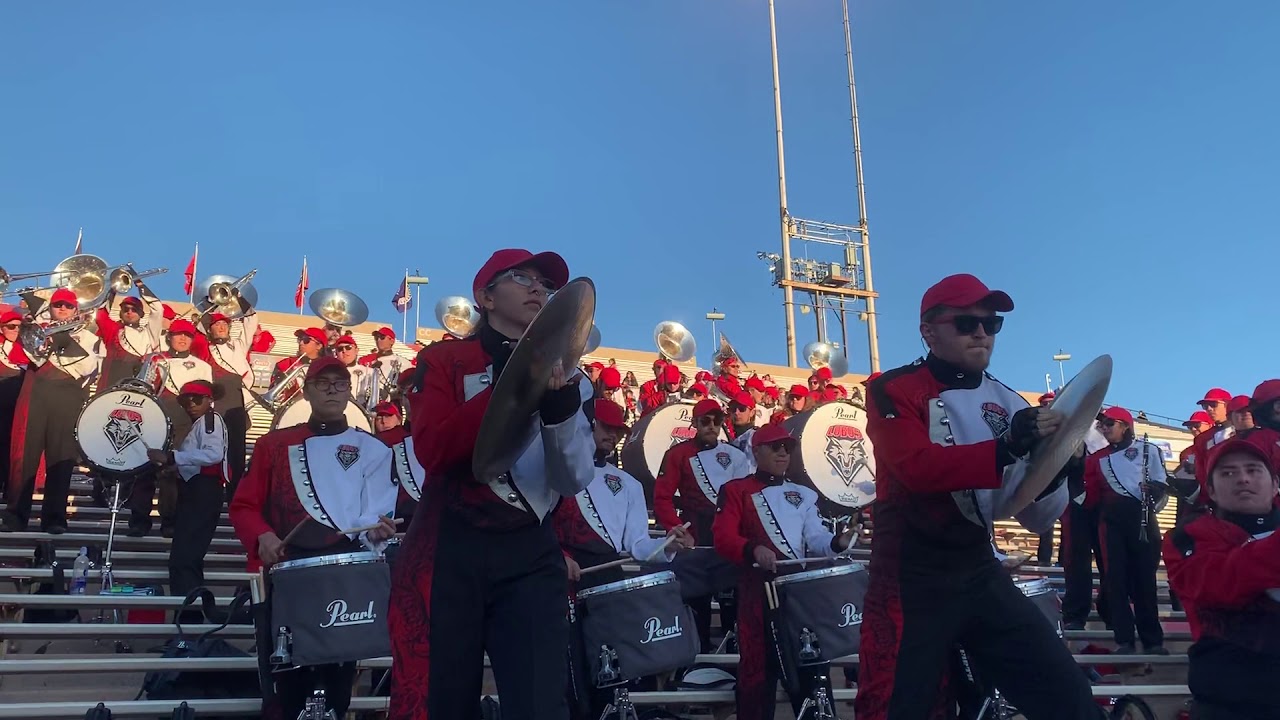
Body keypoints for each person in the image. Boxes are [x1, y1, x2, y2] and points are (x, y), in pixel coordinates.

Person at [855, 274, 1095, 720]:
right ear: (929, 331)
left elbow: (1030, 516)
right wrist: (1007, 449)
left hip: (978, 568)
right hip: (910, 576)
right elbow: (916, 469)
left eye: (992, 323)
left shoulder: (1007, 398)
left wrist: (1061, 467)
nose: (982, 332)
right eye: (966, 322)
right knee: (893, 707)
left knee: (1068, 696)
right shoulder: (893, 387)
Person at [389, 248, 594, 720]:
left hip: (529, 553)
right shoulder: (444, 360)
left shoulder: (572, 378)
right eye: (521, 278)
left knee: (541, 704)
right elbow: (435, 451)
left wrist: (559, 409)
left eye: (545, 283)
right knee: (440, 701)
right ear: (485, 295)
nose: (538, 289)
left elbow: (572, 478)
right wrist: (515, 383)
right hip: (449, 549)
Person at [229, 356, 397, 720]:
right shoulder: (273, 445)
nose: (333, 390)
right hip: (287, 575)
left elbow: (373, 518)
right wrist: (264, 536)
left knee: (338, 682)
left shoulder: (374, 449)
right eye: (323, 383)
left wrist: (376, 531)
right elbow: (243, 506)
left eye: (340, 383)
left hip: (345, 578)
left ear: (350, 392)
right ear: (305, 392)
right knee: (284, 683)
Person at [713, 423, 856, 720]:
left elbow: (816, 540)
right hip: (757, 593)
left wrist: (838, 541)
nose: (783, 452)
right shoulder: (736, 490)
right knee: (757, 673)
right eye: (775, 446)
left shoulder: (804, 494)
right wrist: (753, 548)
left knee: (812, 668)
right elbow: (723, 537)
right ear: (757, 451)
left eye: (787, 447)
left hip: (799, 598)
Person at [1163, 437, 1280, 720]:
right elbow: (1219, 583)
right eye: (1228, 473)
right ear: (1211, 491)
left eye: (1253, 470)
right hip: (1230, 701)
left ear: (1275, 484)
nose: (1242, 479)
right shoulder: (1185, 537)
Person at [653, 397, 753, 651]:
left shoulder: (735, 455)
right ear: (695, 423)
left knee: (733, 607)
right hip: (693, 543)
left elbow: (744, 501)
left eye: (716, 420)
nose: (711, 425)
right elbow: (662, 497)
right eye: (705, 421)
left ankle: (735, 660)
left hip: (726, 542)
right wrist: (676, 529)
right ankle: (697, 663)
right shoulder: (677, 454)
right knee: (698, 608)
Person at [557, 398, 693, 584]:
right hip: (560, 568)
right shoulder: (558, 470)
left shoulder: (630, 484)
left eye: (619, 431)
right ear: (588, 424)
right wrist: (559, 556)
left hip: (605, 576)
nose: (614, 436)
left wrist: (668, 545)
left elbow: (638, 545)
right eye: (607, 427)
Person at [3, 288, 102, 533]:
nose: (62, 310)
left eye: (68, 306)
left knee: (61, 458)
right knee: (23, 456)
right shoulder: (38, 328)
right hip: (36, 392)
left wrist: (63, 340)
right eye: (58, 305)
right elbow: (25, 357)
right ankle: (16, 514)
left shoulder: (89, 337)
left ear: (76, 310)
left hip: (67, 394)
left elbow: (87, 367)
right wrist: (40, 332)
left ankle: (55, 518)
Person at [1083, 406, 1168, 654]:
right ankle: (1124, 640)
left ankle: (1153, 641)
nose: (1104, 428)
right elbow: (1091, 497)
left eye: (1110, 423)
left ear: (1125, 425)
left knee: (1145, 581)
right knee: (1115, 581)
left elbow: (1161, 482)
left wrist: (1153, 490)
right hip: (1111, 522)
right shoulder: (1096, 458)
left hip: (1142, 519)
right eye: (1102, 425)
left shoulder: (1148, 449)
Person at [147, 380, 227, 618]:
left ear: (209, 400)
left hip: (203, 492)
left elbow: (214, 454)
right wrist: (175, 467)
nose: (191, 404)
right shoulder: (202, 423)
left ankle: (189, 622)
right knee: (185, 559)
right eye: (185, 400)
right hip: (197, 491)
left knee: (184, 559)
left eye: (197, 399)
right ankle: (191, 619)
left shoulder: (211, 420)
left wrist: (172, 457)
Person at [201, 307, 258, 499]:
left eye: (224, 324)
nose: (221, 327)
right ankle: (212, 492)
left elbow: (251, 321)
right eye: (217, 324)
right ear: (210, 329)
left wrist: (239, 298)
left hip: (237, 402)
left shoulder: (239, 346)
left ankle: (235, 495)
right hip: (216, 401)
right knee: (214, 449)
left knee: (237, 453)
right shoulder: (205, 348)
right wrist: (212, 303)